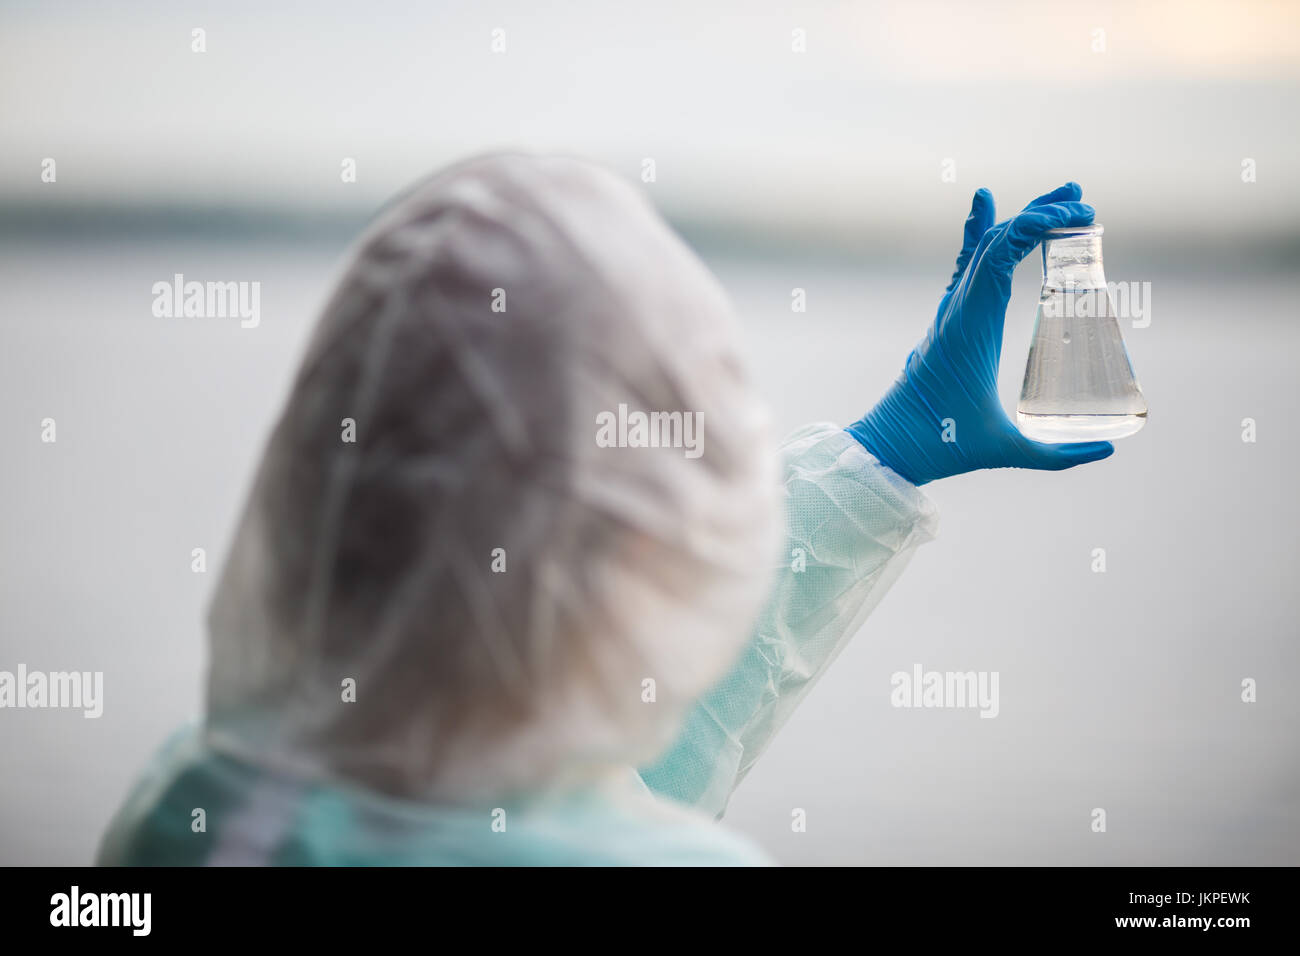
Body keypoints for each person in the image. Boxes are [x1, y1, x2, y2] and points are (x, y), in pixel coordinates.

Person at [97, 154, 1111, 866]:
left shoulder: (195, 811)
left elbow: (549, 773)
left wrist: (883, 457)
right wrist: (890, 454)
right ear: (652, 533)